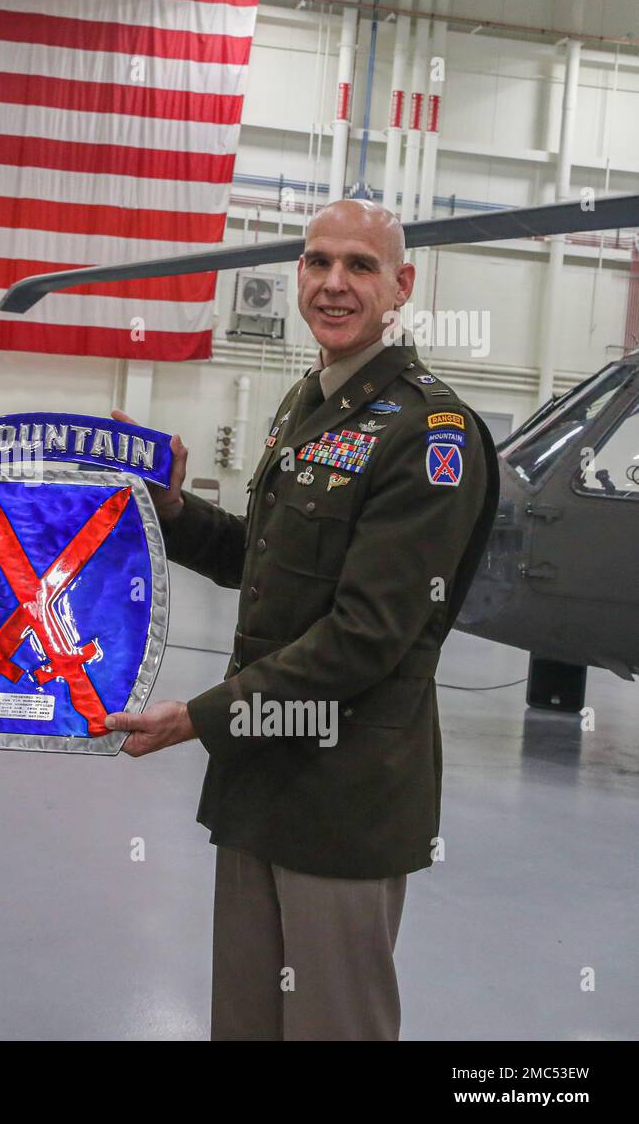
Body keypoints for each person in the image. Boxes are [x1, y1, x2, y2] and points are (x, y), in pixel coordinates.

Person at [108, 199, 499, 1041]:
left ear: (402, 285)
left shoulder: (431, 434)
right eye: (317, 262)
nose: (333, 283)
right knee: (245, 1022)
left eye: (359, 266)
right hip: (262, 785)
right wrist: (173, 512)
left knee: (332, 1024)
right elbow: (272, 566)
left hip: (344, 798)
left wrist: (199, 718)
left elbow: (365, 634)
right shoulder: (308, 402)